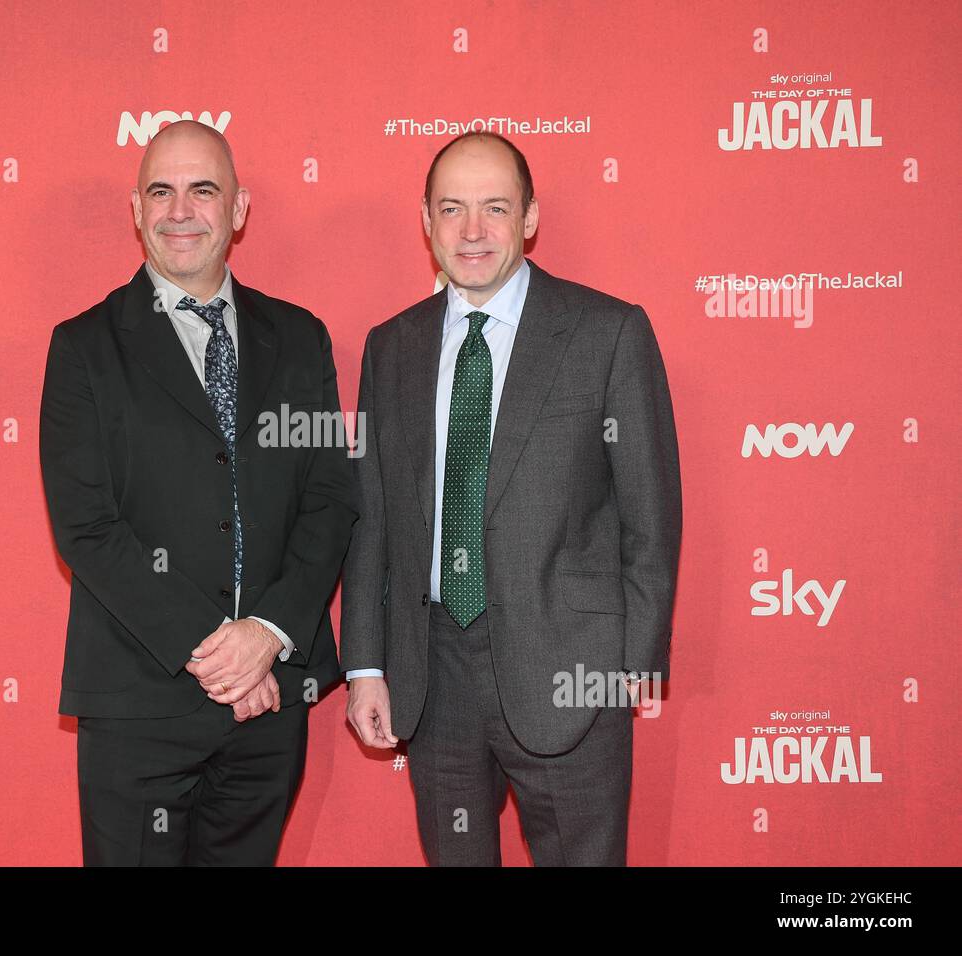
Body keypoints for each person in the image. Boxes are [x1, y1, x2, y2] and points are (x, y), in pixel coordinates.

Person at [341, 131, 681, 866]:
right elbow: (372, 520)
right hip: (433, 675)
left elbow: (651, 521)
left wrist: (627, 669)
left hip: (571, 671)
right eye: (452, 209)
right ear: (425, 220)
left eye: (495, 208)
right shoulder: (389, 347)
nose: (472, 232)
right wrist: (367, 664)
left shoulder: (608, 332)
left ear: (530, 217)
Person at [39, 120, 355, 865]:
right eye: (162, 190)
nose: (181, 210)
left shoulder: (300, 337)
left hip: (272, 699)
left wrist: (267, 635)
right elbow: (87, 527)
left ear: (239, 209)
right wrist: (219, 653)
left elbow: (329, 499)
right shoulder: (83, 346)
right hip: (138, 700)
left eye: (203, 189)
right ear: (136, 208)